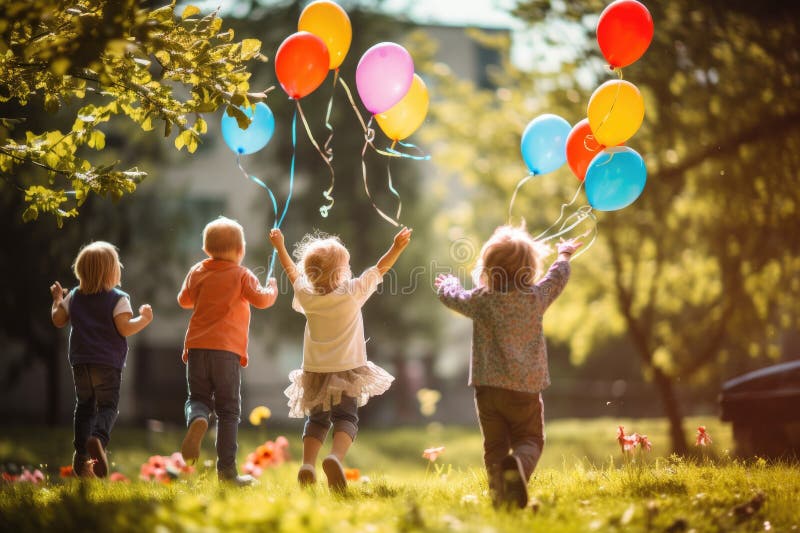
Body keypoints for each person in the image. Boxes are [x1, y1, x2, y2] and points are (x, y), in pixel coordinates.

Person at [434, 224, 582, 508]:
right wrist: (564, 254)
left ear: (489, 268)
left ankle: (500, 496)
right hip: (525, 388)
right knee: (530, 439)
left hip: (488, 390)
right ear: (529, 268)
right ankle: (517, 468)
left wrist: (447, 283)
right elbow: (557, 277)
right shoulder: (535, 297)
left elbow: (453, 297)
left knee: (495, 447)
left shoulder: (482, 300)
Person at [269, 226, 411, 492]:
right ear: (342, 272)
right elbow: (380, 269)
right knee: (347, 418)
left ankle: (308, 464)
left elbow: (291, 272)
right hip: (347, 371)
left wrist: (280, 247)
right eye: (346, 265)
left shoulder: (307, 296)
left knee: (317, 420)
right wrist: (397, 247)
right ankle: (335, 457)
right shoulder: (352, 292)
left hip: (315, 372)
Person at [178, 216, 277, 486]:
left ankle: (198, 418)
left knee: (197, 397)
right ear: (240, 250)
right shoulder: (242, 274)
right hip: (226, 352)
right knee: (228, 412)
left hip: (197, 349)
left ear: (206, 248)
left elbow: (184, 300)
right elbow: (261, 300)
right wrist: (272, 290)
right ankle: (227, 473)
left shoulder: (198, 270)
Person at [50, 241, 153, 478]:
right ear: (113, 271)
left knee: (84, 406)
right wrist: (144, 319)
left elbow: (58, 319)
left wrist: (57, 299)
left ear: (81, 270)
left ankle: (81, 455)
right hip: (107, 364)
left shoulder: (74, 296)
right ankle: (98, 439)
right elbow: (125, 328)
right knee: (108, 406)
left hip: (80, 363)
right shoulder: (118, 298)